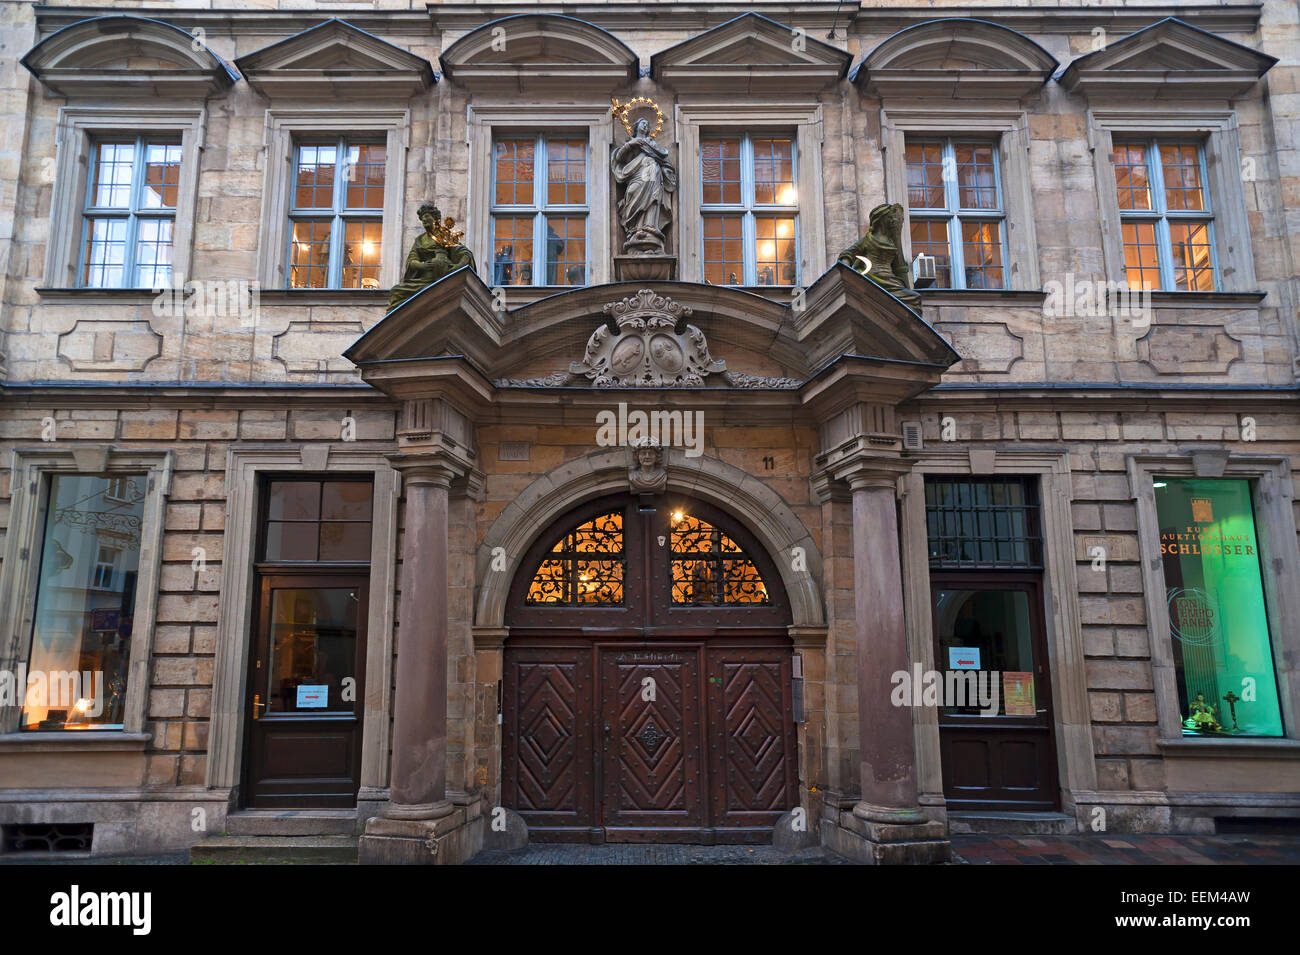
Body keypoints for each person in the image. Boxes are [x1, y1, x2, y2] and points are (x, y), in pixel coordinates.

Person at [612, 118, 677, 253]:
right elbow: (618, 158)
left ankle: (649, 227)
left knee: (653, 199)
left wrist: (665, 170)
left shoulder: (652, 144)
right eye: (643, 123)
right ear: (636, 127)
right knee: (633, 194)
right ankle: (635, 229)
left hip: (653, 175)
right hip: (636, 176)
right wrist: (632, 144)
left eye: (647, 124)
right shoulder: (631, 143)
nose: (646, 125)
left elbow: (663, 159)